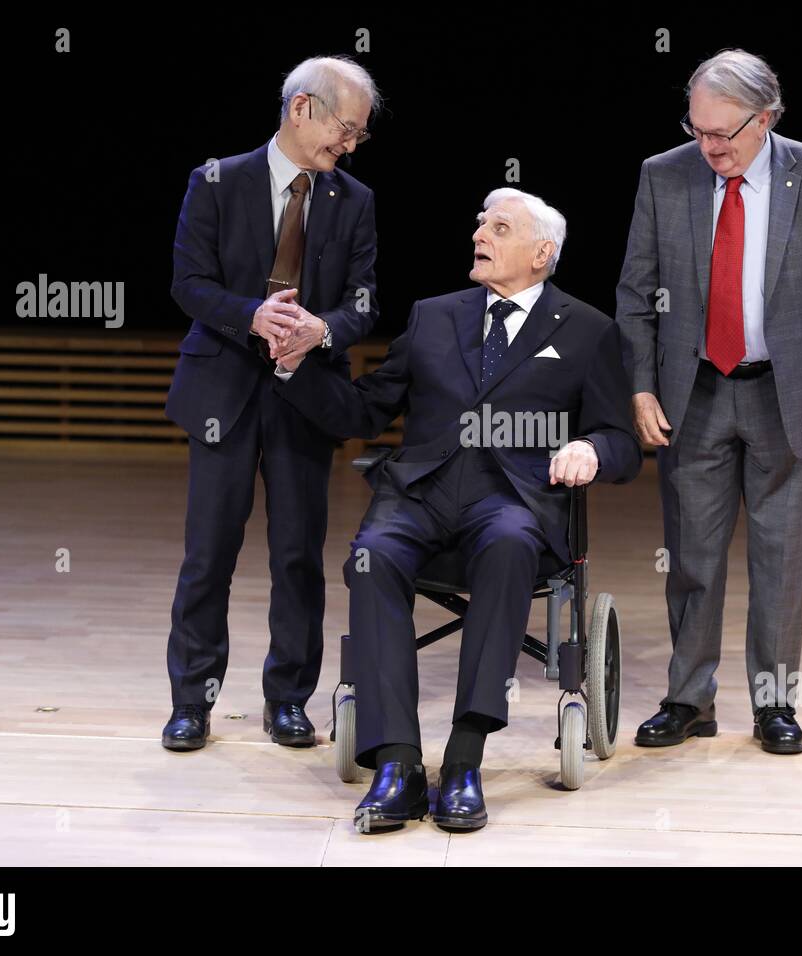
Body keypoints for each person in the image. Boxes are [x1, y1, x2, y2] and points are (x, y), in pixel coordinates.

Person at [274, 188, 642, 831]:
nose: (481, 233)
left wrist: (589, 447)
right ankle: (398, 765)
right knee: (373, 555)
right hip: (421, 493)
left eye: (499, 227)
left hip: (515, 500)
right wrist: (297, 365)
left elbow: (622, 441)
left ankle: (465, 761)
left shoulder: (588, 330)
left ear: (542, 253)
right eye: (480, 222)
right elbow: (367, 410)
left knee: (507, 545)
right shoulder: (434, 315)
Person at [616, 49, 802, 754]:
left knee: (779, 558)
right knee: (691, 556)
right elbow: (635, 296)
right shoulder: (664, 174)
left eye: (723, 134)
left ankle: (773, 705)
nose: (708, 147)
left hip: (788, 398)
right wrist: (640, 384)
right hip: (693, 393)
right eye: (697, 129)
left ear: (766, 119)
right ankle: (689, 699)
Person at [161, 56, 381, 752]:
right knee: (209, 553)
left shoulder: (356, 200)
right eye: (345, 129)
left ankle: (289, 698)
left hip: (303, 395)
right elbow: (188, 284)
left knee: (296, 555)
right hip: (223, 387)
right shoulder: (216, 180)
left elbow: (364, 302)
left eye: (358, 137)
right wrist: (251, 316)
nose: (348, 145)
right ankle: (192, 702)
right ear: (301, 109)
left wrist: (323, 330)